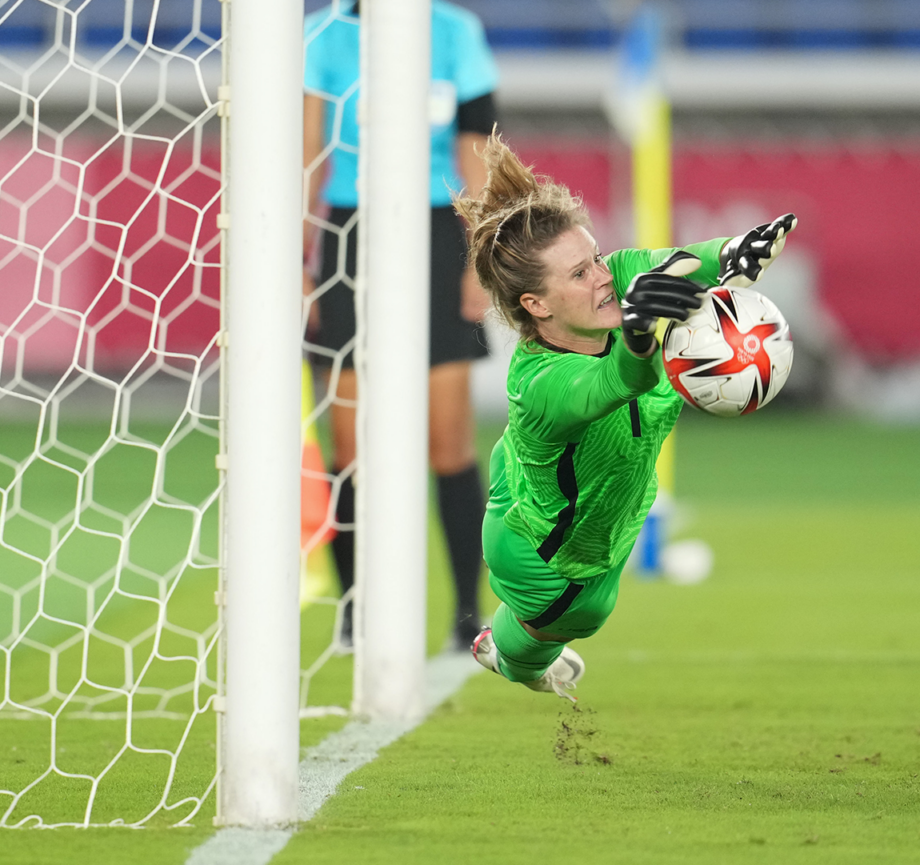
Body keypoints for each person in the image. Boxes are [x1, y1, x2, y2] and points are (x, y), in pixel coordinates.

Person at [455, 136, 795, 698]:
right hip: (552, 561)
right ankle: (504, 650)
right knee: (578, 620)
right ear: (536, 306)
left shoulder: (618, 279)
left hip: (528, 479)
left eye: (595, 258)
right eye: (580, 275)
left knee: (554, 476)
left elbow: (685, 261)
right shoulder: (541, 386)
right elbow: (616, 382)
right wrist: (637, 342)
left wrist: (733, 252)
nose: (604, 277)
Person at [302, 0, 499, 648]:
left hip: (440, 235)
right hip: (350, 236)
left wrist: (481, 253)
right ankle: (357, 613)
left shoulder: (454, 33)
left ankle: (466, 613)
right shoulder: (324, 37)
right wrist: (298, 259)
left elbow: (476, 150)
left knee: (448, 442)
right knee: (351, 445)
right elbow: (307, 153)